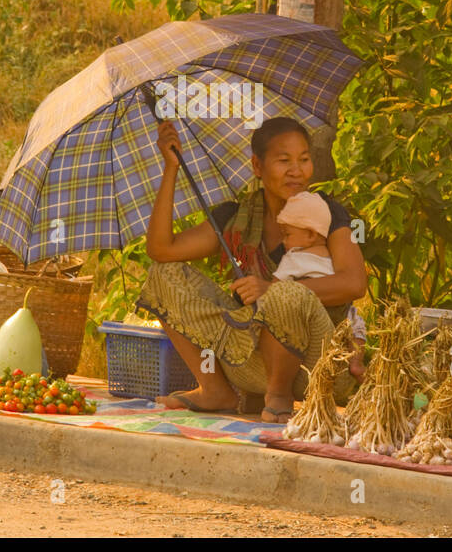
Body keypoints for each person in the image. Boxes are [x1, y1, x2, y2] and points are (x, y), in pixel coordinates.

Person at [138, 117, 368, 423]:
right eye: (284, 160)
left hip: (320, 368)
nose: (297, 171)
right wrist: (171, 169)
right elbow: (161, 250)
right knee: (163, 275)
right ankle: (215, 389)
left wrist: (271, 290)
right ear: (257, 167)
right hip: (250, 360)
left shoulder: (326, 213)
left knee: (286, 295)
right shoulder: (237, 217)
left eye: (304, 159)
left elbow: (354, 283)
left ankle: (278, 395)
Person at [272, 191, 368, 343]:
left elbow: (274, 288)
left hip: (313, 319)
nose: (283, 241)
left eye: (287, 235)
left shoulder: (293, 258)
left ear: (311, 235)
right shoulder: (333, 255)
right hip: (340, 313)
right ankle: (355, 359)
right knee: (356, 323)